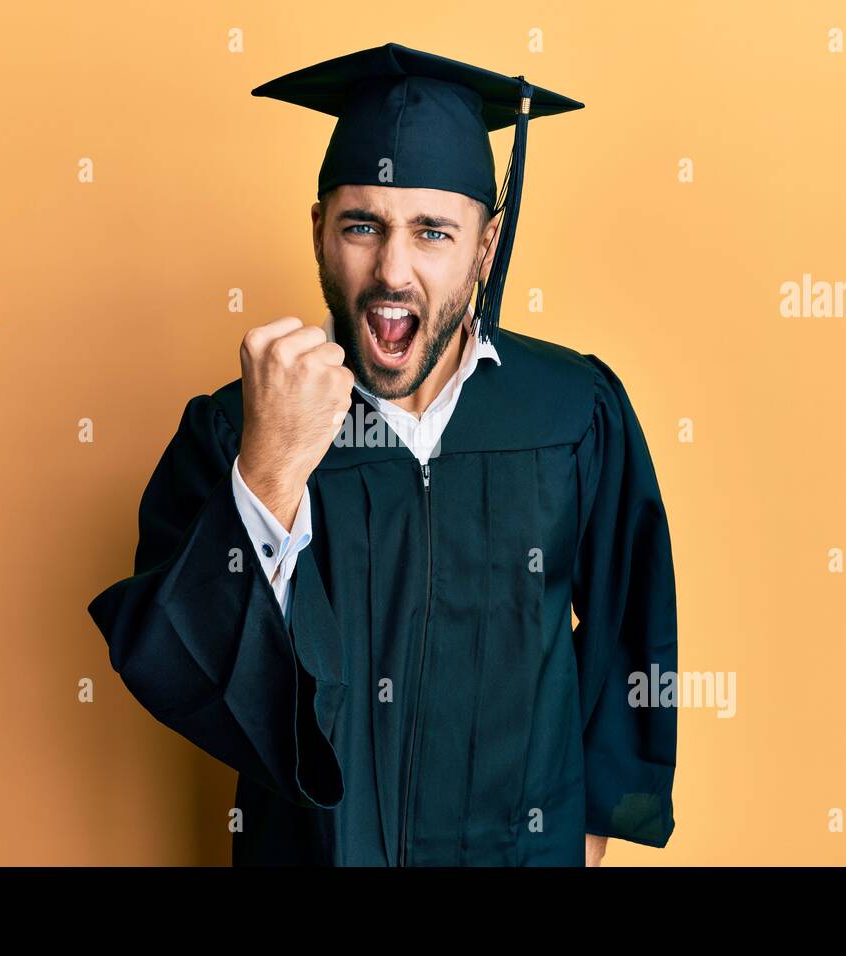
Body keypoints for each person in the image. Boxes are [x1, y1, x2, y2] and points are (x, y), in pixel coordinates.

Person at [87, 42, 678, 866]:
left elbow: (629, 624)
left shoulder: (572, 410)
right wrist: (268, 474)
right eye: (362, 226)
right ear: (320, 232)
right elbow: (176, 665)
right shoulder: (236, 429)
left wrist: (587, 835)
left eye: (433, 232)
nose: (391, 270)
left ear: (486, 243)